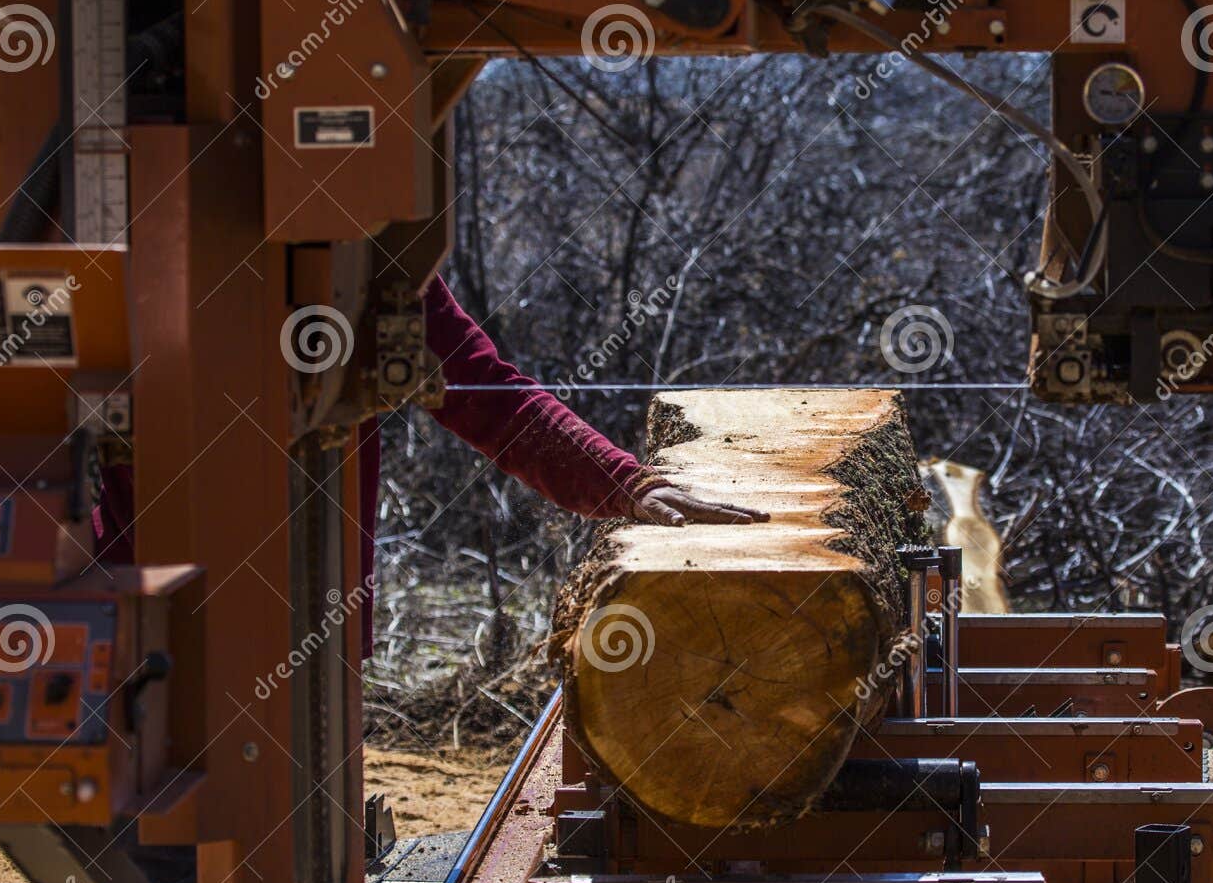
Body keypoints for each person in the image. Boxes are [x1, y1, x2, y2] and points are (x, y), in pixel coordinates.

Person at [92, 276, 768, 650]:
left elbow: (492, 398)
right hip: (142, 626)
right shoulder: (102, 225)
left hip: (310, 640)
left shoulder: (368, 249)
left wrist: (628, 483)